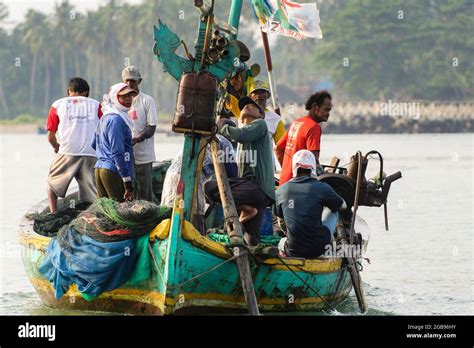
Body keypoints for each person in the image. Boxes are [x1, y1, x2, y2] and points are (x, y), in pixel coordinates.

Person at [205, 96, 275, 246]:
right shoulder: (244, 135)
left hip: (256, 186)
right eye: (244, 106)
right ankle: (255, 262)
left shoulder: (260, 124)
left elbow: (239, 135)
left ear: (261, 114)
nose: (248, 106)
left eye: (253, 106)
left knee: (209, 187)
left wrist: (220, 124)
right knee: (252, 239)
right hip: (259, 193)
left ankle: (246, 208)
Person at [273, 150, 346, 259]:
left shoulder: (281, 190)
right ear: (312, 168)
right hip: (319, 248)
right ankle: (330, 245)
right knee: (333, 212)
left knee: (280, 241)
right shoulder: (322, 187)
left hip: (293, 249)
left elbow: (279, 216)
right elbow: (342, 206)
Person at [45, 77, 102, 213]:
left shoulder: (57, 105)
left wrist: (56, 147)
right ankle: (95, 216)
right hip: (91, 152)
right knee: (95, 190)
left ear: (68, 91)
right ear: (86, 93)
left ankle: (53, 213)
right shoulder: (96, 104)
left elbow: (50, 136)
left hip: (67, 151)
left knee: (51, 184)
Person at [275, 90, 332, 186]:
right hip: (299, 185)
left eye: (329, 110)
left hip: (284, 182)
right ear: (315, 107)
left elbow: (277, 148)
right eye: (326, 109)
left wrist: (287, 168)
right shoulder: (314, 127)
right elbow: (313, 158)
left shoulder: (296, 122)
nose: (328, 113)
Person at [92, 83, 137, 202]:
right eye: (123, 96)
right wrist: (127, 182)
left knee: (105, 210)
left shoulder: (105, 117)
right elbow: (117, 152)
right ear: (114, 98)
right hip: (113, 172)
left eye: (130, 96)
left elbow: (93, 143)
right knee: (120, 209)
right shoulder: (116, 120)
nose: (128, 99)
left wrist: (104, 155)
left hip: (99, 168)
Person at [122, 66, 158, 201]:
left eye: (133, 81)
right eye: (126, 81)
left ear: (139, 81)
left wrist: (137, 139)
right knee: (128, 194)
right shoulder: (120, 101)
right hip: (125, 157)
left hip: (143, 156)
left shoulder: (146, 101)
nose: (130, 84)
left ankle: (145, 220)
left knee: (144, 195)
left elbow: (151, 127)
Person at [248, 80, 286, 158]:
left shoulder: (276, 119)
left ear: (268, 95)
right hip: (246, 165)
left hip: (266, 165)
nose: (258, 96)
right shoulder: (243, 114)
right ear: (250, 97)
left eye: (262, 92)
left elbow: (282, 147)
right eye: (255, 93)